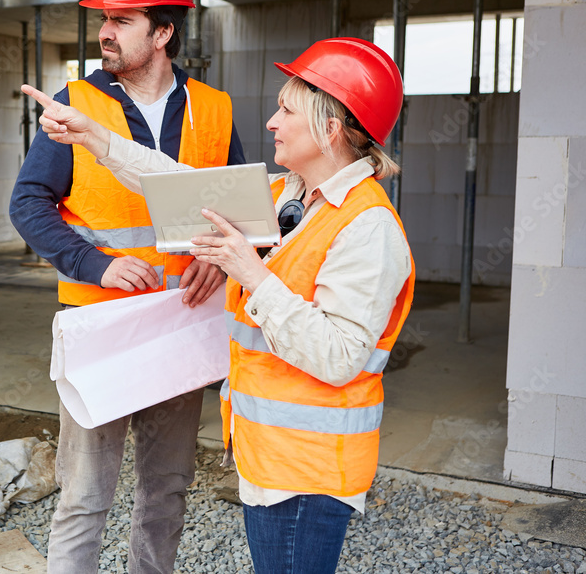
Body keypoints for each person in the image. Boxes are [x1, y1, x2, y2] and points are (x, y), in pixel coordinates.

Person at [21, 37, 415, 574]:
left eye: (286, 109)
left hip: (309, 470)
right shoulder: (292, 196)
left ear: (329, 128)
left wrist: (251, 273)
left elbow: (341, 355)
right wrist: (96, 139)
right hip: (271, 456)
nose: (272, 122)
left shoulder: (367, 226)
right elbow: (178, 185)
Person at [9, 0, 245, 574]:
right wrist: (95, 264)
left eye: (121, 21)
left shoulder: (215, 111)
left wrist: (220, 262)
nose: (104, 34)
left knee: (165, 493)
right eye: (103, 19)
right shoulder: (75, 105)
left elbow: (240, 214)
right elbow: (28, 204)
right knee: (85, 497)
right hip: (100, 323)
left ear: (163, 32)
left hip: (182, 323)